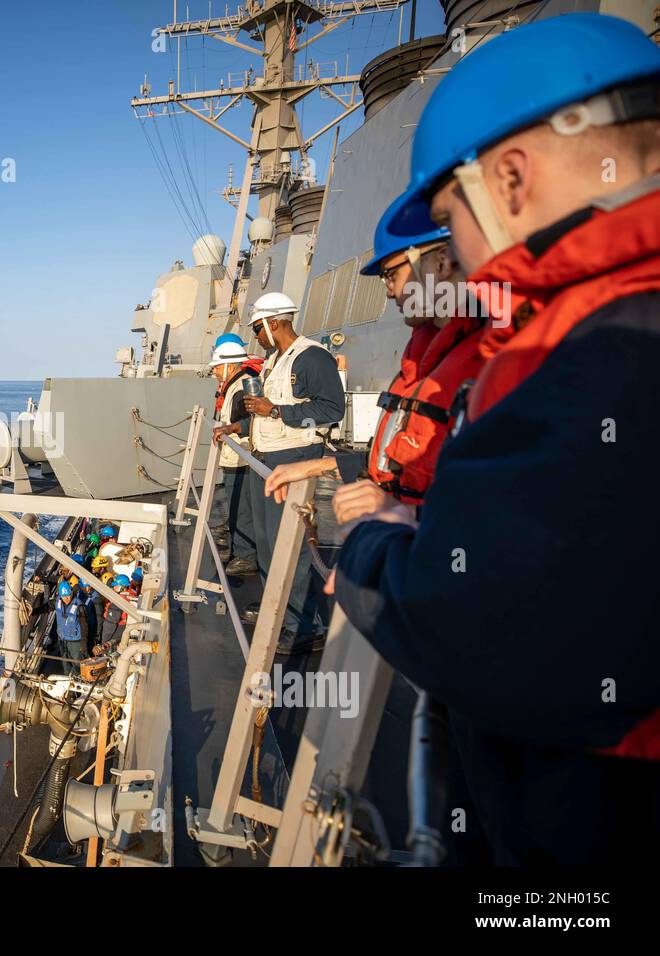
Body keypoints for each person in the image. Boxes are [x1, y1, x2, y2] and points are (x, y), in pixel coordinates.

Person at [331, 13, 660, 864]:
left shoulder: (602, 344)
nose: (458, 259)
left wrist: (369, 548)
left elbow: (477, 626)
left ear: (509, 181)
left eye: (451, 218)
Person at [262, 210, 484, 521]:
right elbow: (407, 457)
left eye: (391, 274)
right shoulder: (426, 357)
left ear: (442, 262)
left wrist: (403, 513)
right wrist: (321, 466)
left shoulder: (492, 362)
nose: (389, 290)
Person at [240, 292, 345, 653]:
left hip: (295, 457)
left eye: (257, 327)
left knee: (292, 544)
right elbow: (271, 409)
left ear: (276, 322)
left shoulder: (312, 358)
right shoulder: (274, 360)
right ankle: (278, 608)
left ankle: (302, 626)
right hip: (268, 458)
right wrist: (240, 425)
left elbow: (332, 410)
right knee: (270, 542)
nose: (256, 335)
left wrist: (276, 411)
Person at [207, 334, 261, 572]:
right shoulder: (234, 386)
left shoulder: (242, 387)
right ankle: (240, 548)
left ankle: (246, 556)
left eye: (217, 367)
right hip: (234, 458)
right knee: (237, 507)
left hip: (242, 459)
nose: (216, 373)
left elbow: (247, 422)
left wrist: (228, 431)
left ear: (229, 365)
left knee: (243, 509)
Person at [54, 580, 89, 673]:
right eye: (63, 596)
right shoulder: (57, 601)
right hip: (62, 640)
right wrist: (33, 611)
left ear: (72, 592)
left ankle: (78, 679)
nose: (66, 599)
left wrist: (83, 646)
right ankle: (67, 677)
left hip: (75, 642)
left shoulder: (80, 606)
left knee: (77, 665)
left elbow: (84, 627)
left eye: (68, 595)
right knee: (65, 663)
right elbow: (47, 606)